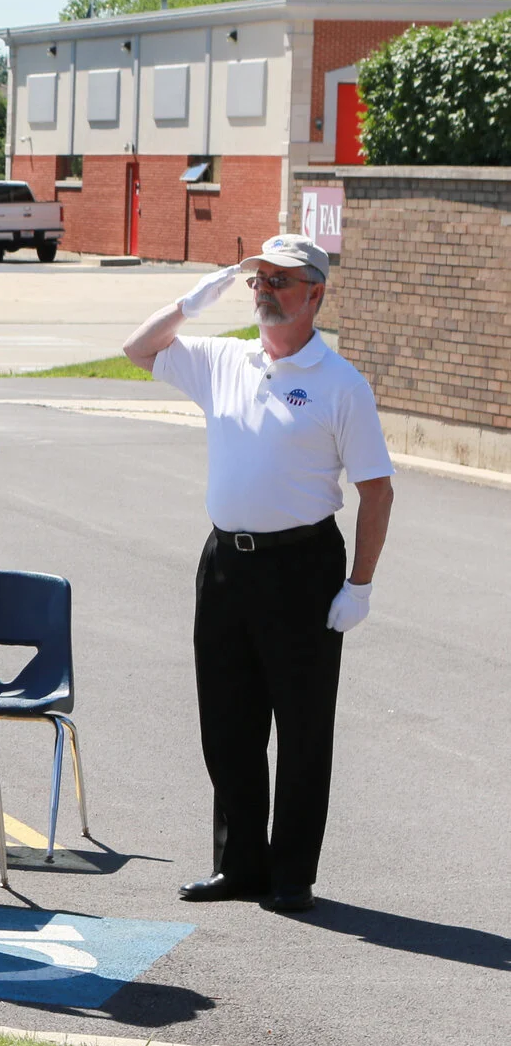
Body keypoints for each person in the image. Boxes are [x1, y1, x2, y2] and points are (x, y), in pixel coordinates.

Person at [121, 235, 393, 914]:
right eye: (258, 279)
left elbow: (377, 489)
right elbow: (139, 348)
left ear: (315, 293)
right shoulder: (224, 359)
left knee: (302, 727)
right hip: (225, 565)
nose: (265, 289)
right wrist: (195, 298)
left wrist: (359, 583)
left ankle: (292, 871)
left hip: (302, 567)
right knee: (228, 723)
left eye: (281, 279)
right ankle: (238, 862)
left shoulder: (340, 383)